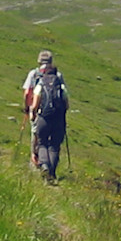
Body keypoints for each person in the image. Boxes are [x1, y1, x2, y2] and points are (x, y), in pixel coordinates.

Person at [21, 49, 69, 183]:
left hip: (40, 115)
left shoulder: (34, 74)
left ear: (39, 61)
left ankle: (40, 166)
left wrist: (29, 109)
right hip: (58, 117)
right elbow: (66, 101)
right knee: (54, 145)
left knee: (39, 142)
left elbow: (27, 94)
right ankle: (51, 173)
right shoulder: (58, 76)